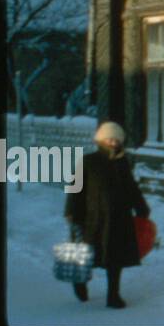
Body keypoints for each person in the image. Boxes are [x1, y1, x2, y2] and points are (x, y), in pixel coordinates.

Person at [64, 121, 150, 308]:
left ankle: (113, 296)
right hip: (93, 219)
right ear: (101, 140)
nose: (113, 143)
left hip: (119, 219)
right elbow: (75, 189)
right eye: (109, 139)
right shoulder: (88, 161)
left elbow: (131, 187)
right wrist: (71, 211)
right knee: (86, 256)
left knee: (116, 259)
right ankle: (80, 283)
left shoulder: (122, 163)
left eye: (116, 139)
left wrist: (141, 207)